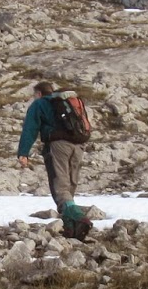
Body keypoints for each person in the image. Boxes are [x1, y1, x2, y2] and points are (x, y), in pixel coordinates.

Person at [16, 81, 94, 240]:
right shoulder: (67, 103)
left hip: (58, 146)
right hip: (78, 146)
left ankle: (79, 218)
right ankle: (71, 229)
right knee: (70, 185)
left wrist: (23, 153)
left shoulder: (40, 104)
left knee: (60, 187)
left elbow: (30, 128)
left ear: (39, 93)